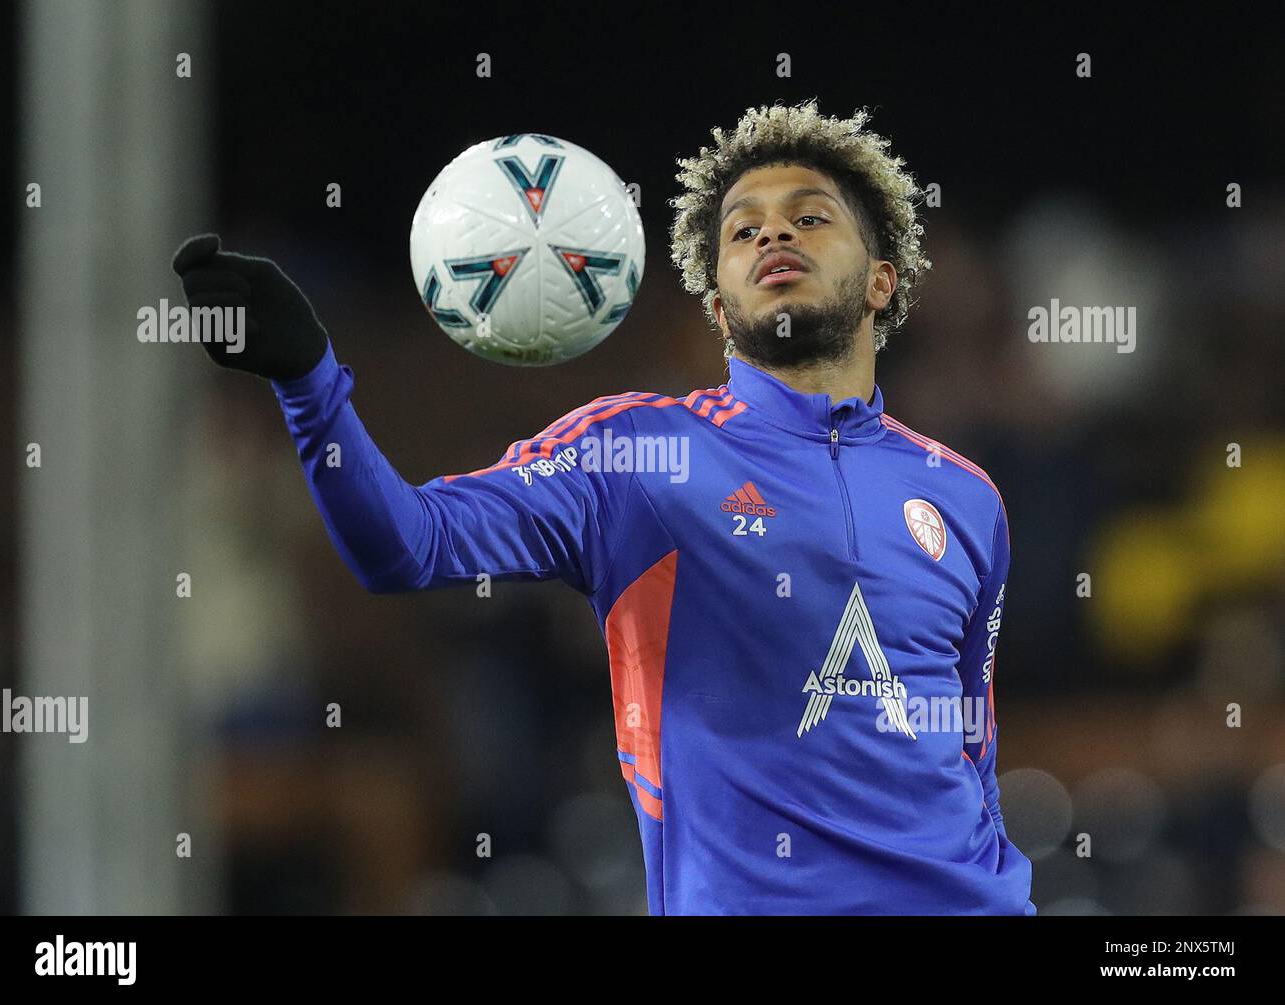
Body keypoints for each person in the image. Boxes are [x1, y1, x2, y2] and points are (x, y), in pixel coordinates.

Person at [173, 99, 1035, 915]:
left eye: (811, 216)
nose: (773, 230)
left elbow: (970, 749)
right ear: (719, 305)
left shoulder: (964, 496)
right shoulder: (632, 457)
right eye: (742, 229)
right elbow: (407, 544)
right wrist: (307, 379)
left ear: (883, 279)